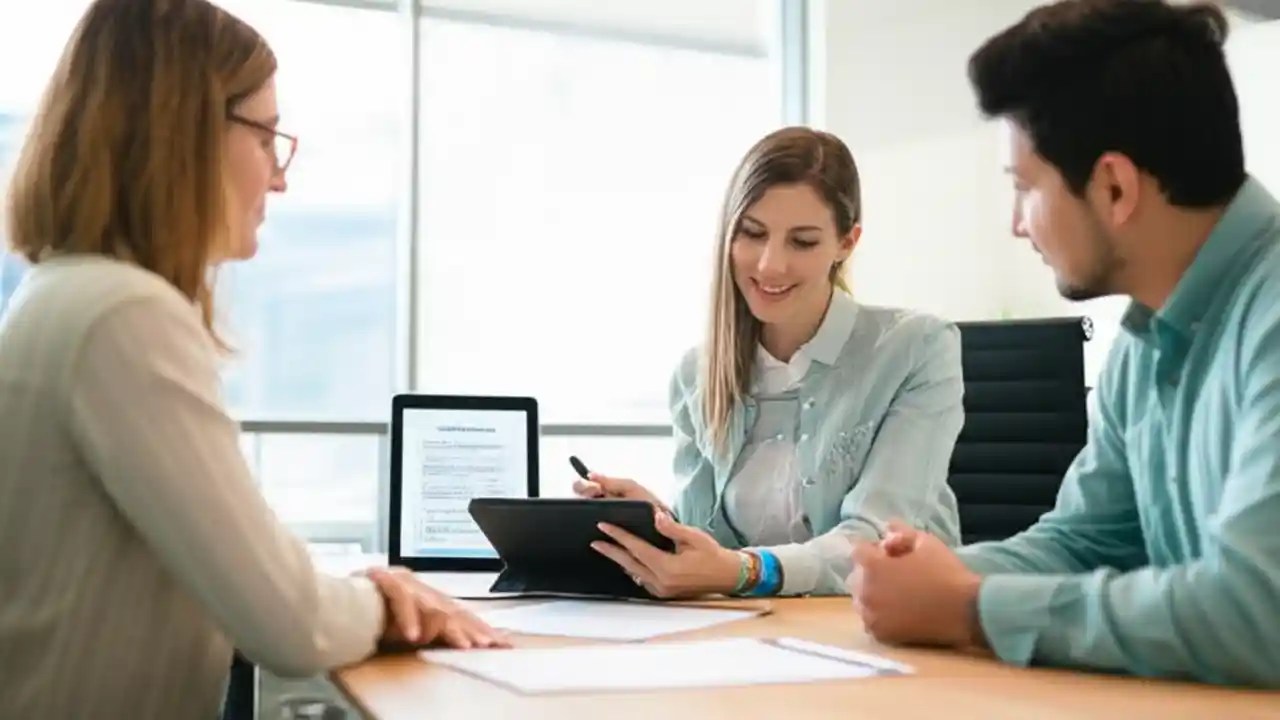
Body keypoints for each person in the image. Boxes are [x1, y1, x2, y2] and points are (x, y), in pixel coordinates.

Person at [0, 1, 507, 717]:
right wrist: (388, 604)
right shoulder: (124, 316)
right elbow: (290, 624)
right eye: (267, 137)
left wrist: (355, 591)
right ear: (185, 131)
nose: (279, 178)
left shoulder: (64, 296)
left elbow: (241, 563)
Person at [848, 0, 1280, 688]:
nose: (1019, 225)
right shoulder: (1147, 339)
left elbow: (1262, 612)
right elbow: (1086, 540)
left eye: (1024, 189)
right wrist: (932, 573)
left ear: (1113, 186)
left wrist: (969, 606)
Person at [575, 127, 965, 598]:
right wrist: (659, 524)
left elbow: (874, 541)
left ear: (846, 244)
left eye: (802, 242)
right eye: (753, 234)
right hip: (754, 636)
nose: (769, 265)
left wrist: (745, 571)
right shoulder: (696, 375)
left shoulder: (918, 348)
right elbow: (713, 548)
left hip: (894, 626)